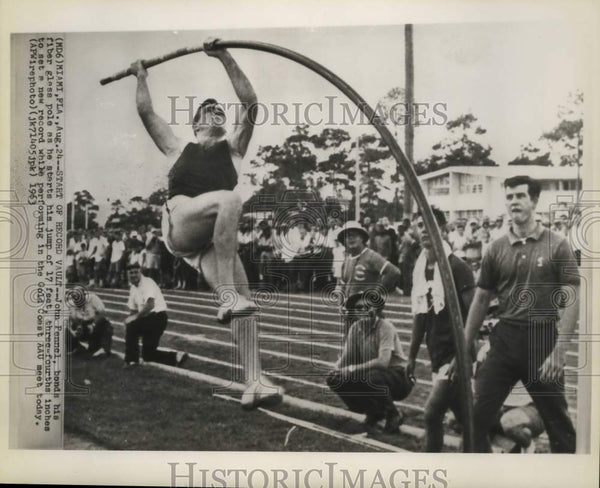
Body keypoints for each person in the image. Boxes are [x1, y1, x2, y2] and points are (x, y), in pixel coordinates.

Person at [129, 38, 283, 409]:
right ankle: (228, 298)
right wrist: (140, 76)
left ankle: (253, 381)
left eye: (219, 110)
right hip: (181, 222)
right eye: (208, 109)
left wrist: (224, 57)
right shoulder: (177, 148)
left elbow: (251, 104)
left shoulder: (233, 149)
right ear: (197, 122)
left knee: (246, 309)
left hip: (210, 240)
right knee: (230, 199)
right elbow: (147, 113)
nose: (216, 112)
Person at [456, 175, 580, 453]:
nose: (514, 202)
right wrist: (466, 343)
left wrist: (560, 351)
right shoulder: (496, 248)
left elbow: (573, 295)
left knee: (559, 426)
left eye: (520, 196)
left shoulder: (557, 244)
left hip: (542, 339)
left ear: (534, 200)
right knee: (475, 418)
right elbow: (482, 297)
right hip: (505, 338)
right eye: (509, 196)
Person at [405, 208, 475, 452]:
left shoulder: (458, 268)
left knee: (432, 414)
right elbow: (420, 316)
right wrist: (412, 356)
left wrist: (462, 354)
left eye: (431, 224)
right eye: (420, 224)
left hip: (457, 354)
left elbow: (475, 316)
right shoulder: (421, 268)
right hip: (438, 351)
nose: (425, 229)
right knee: (468, 421)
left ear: (444, 230)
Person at [327, 291, 413, 434]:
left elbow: (383, 362)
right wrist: (336, 369)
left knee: (371, 376)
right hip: (375, 375)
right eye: (359, 308)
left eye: (368, 306)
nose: (364, 311)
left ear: (376, 309)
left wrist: (351, 369)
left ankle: (393, 413)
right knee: (335, 379)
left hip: (400, 377)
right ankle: (374, 411)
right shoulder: (355, 328)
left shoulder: (386, 327)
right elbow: (348, 356)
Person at [124, 263, 188, 367]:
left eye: (136, 272)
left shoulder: (147, 283)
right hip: (147, 319)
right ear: (127, 274)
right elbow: (133, 309)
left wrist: (133, 318)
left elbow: (150, 305)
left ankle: (131, 360)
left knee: (133, 327)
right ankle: (176, 357)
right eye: (131, 273)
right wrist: (129, 318)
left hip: (157, 318)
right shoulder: (133, 288)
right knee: (148, 355)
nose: (134, 275)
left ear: (141, 272)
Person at [336, 221, 402, 309]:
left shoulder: (371, 256)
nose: (351, 238)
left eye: (354, 235)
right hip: (351, 311)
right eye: (347, 236)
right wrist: (340, 305)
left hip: (367, 310)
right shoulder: (347, 260)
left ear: (362, 238)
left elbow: (394, 272)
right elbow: (342, 285)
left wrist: (376, 293)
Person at [67, 289, 113, 357]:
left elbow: (102, 313)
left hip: (94, 322)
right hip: (81, 324)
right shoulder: (70, 304)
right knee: (63, 329)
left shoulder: (93, 298)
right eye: (75, 299)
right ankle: (76, 347)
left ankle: (104, 349)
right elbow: (68, 320)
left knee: (106, 323)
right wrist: (73, 331)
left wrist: (93, 325)